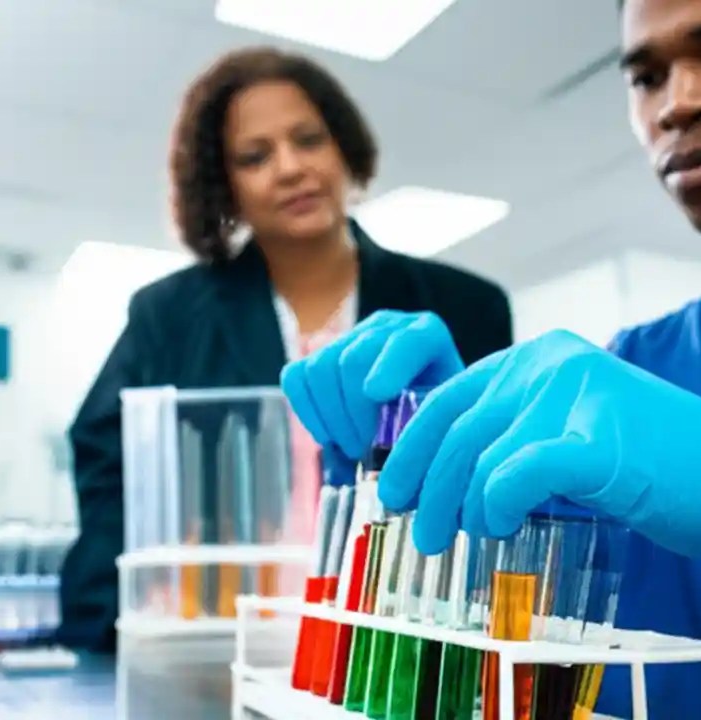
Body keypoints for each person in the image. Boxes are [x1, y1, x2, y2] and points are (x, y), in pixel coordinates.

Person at [281, 0, 701, 716]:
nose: (679, 103)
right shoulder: (633, 370)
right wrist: (427, 460)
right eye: (646, 76)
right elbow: (556, 658)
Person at [57, 47, 513, 652]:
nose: (291, 167)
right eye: (255, 156)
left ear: (343, 148)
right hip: (222, 637)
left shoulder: (465, 305)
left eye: (309, 139)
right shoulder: (166, 315)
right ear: (225, 187)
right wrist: (111, 627)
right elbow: (106, 462)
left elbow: (494, 477)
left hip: (400, 641)